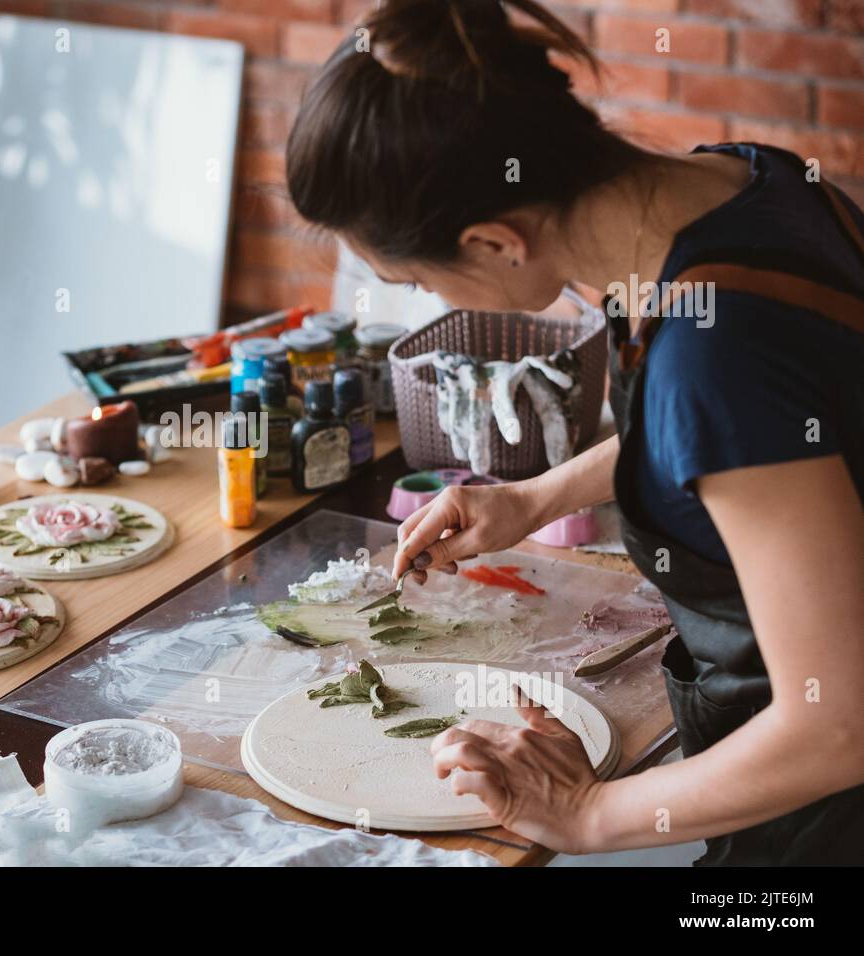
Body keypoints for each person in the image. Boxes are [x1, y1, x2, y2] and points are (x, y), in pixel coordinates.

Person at [286, 0, 864, 864]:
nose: (434, 302)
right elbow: (758, 437)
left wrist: (587, 814)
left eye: (419, 279)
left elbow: (838, 725)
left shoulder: (715, 353)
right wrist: (530, 499)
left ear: (493, 242)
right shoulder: (746, 183)